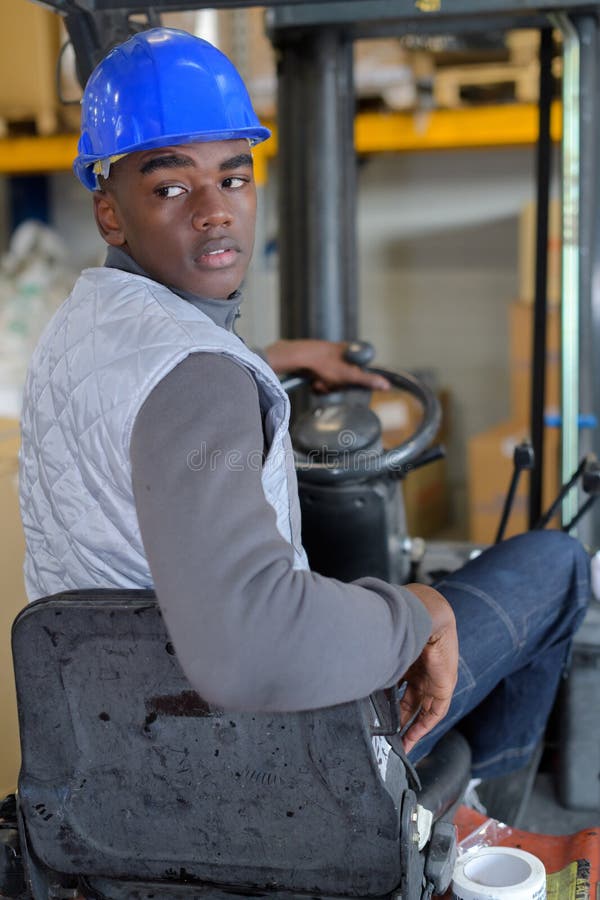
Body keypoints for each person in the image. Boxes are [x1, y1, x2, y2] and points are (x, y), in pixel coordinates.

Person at [19, 28, 589, 787]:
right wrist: (417, 613)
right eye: (171, 188)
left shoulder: (83, 324)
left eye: (234, 178)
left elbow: (147, 394)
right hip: (259, 762)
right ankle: (477, 817)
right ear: (110, 214)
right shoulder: (199, 381)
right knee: (554, 563)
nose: (215, 211)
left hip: (111, 744)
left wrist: (267, 360)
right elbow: (249, 648)